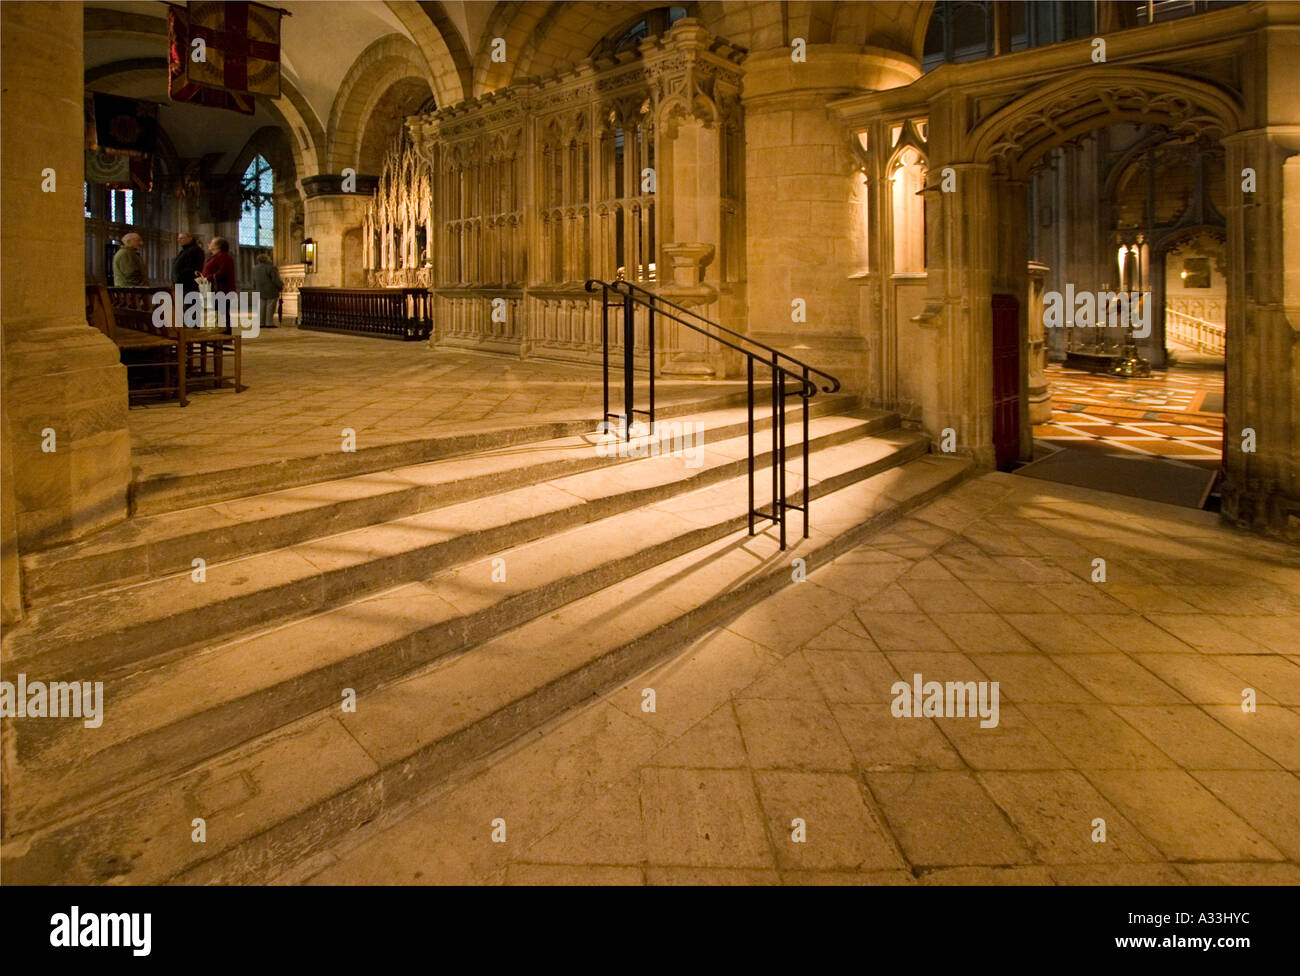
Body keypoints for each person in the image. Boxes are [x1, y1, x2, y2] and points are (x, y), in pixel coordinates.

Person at [199, 236, 236, 333]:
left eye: (211, 242)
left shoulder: (224, 257)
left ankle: (224, 336)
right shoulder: (215, 256)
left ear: (218, 245)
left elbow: (223, 272)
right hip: (214, 289)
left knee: (222, 312)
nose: (208, 244)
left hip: (222, 289)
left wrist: (208, 278)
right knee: (216, 312)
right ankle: (216, 333)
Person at [251, 253, 283, 329]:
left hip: (259, 290)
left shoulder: (255, 268)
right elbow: (275, 279)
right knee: (270, 306)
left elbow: (254, 281)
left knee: (261, 306)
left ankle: (261, 323)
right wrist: (280, 285)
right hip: (271, 290)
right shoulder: (271, 268)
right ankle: (269, 323)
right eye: (268, 257)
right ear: (266, 259)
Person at [171, 232, 205, 297]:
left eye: (181, 238)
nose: (179, 240)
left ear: (190, 238)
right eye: (178, 238)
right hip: (181, 286)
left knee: (188, 306)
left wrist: (180, 278)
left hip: (188, 286)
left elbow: (193, 268)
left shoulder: (195, 250)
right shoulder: (184, 251)